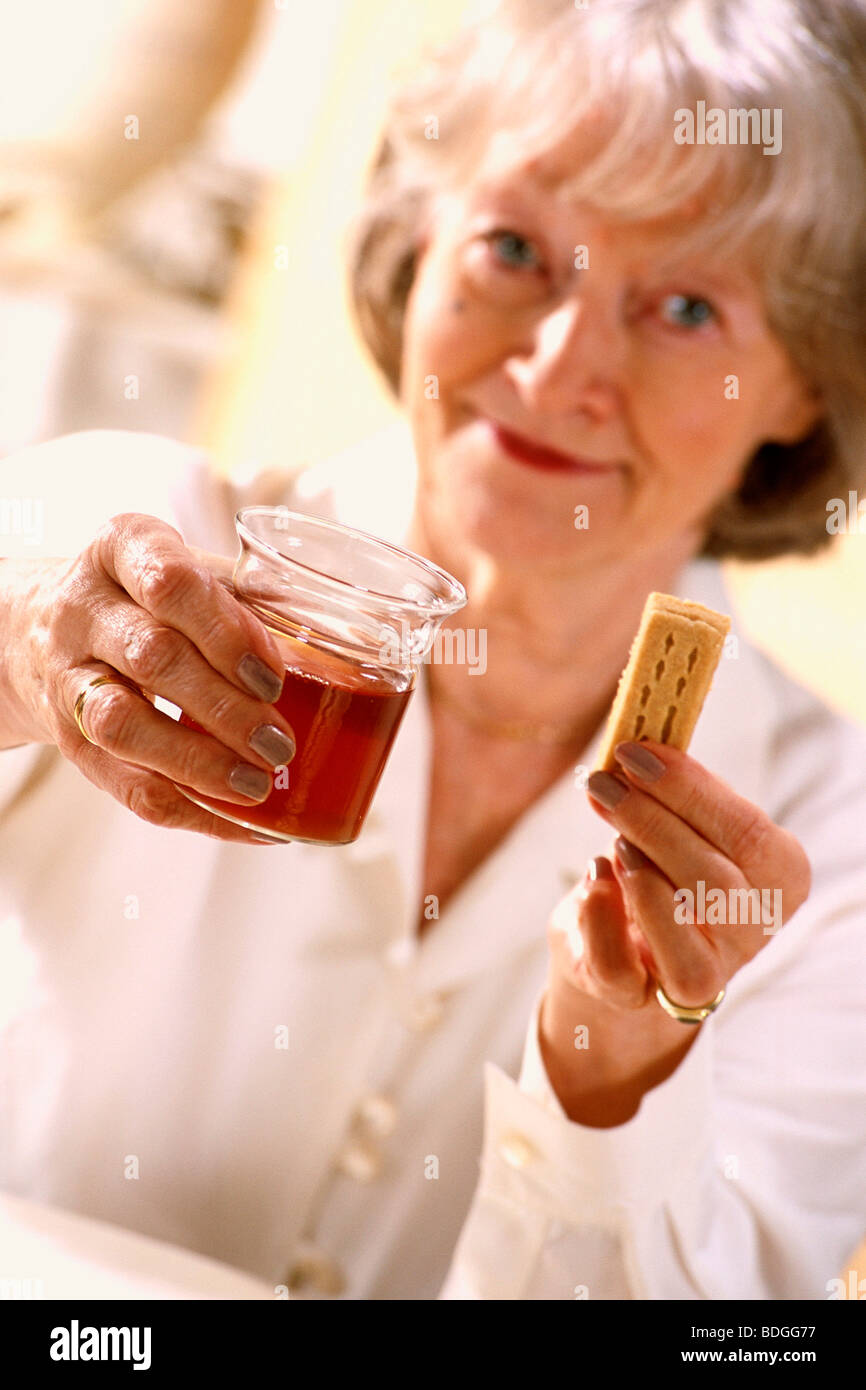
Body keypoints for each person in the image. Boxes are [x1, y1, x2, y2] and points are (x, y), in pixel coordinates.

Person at [1, 0, 865, 1299]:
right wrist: (22, 651)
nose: (559, 359)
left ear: (805, 379)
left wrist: (616, 1081)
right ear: (417, 238)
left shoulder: (831, 840)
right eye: (516, 245)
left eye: (684, 305)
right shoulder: (137, 537)